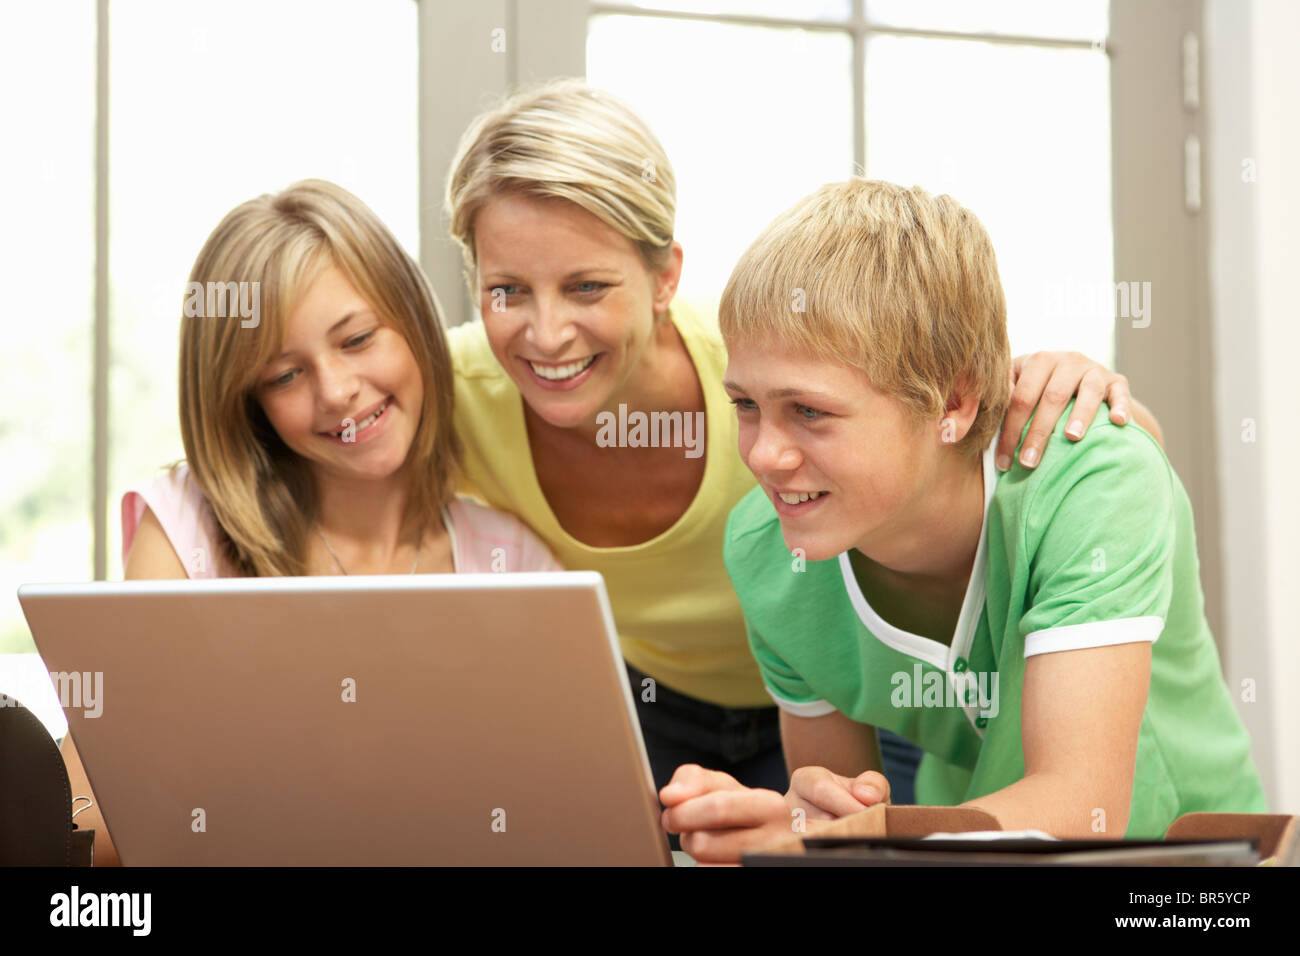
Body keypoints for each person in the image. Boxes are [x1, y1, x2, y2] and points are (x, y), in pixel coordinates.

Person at [443, 79, 1164, 816]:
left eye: (588, 286)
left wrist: (1095, 410)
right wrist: (801, 828)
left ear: (665, 279)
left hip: (865, 681)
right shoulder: (459, 396)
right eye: (507, 291)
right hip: (684, 698)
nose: (547, 332)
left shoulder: (771, 357)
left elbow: (949, 386)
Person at [658, 179, 1266, 862]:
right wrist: (795, 827)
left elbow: (1082, 807)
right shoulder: (768, 553)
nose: (764, 454)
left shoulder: (1090, 483)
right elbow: (842, 812)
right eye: (745, 405)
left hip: (1191, 866)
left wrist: (845, 840)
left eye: (810, 411)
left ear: (954, 400)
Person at [61, 179, 561, 865]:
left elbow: (557, 815)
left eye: (357, 338)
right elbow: (89, 820)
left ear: (414, 323)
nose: (336, 392)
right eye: (284, 376)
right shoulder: (189, 529)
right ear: (249, 403)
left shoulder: (514, 562)